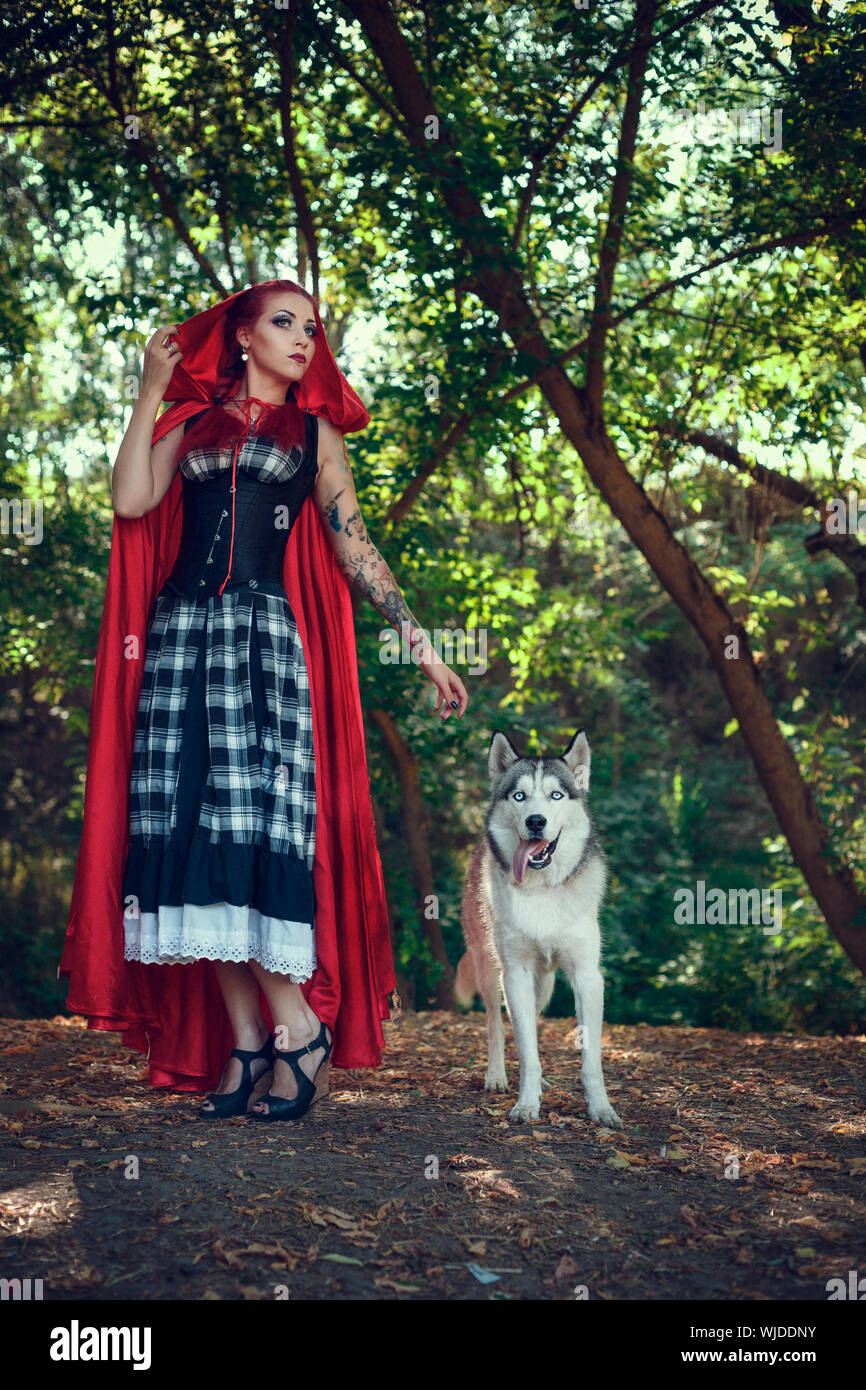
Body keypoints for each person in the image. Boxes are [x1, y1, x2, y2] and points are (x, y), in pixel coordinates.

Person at [60, 278, 469, 1121]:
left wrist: (422, 647)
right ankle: (247, 1044)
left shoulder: (315, 435)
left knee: (251, 834)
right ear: (244, 337)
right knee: (187, 834)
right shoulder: (192, 424)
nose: (303, 340)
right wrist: (149, 392)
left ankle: (297, 1030)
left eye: (312, 331)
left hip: (261, 644)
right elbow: (131, 498)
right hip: (179, 640)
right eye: (286, 324)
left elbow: (357, 553)